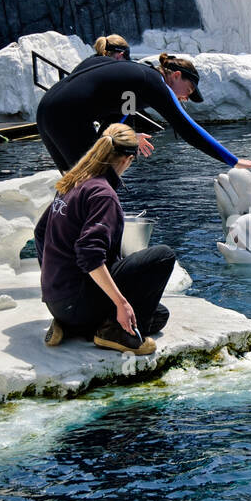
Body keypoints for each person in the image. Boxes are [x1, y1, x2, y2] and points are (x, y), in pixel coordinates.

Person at [35, 123, 175, 354]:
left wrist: (55, 281)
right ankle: (112, 332)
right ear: (127, 159)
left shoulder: (72, 182)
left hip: (56, 303)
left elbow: (40, 233)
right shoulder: (103, 194)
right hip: (77, 302)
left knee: (159, 314)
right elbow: (89, 253)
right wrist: (121, 303)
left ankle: (70, 327)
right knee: (163, 256)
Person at [35, 49, 251, 173]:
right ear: (176, 76)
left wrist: (128, 136)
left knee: (73, 184)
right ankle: (106, 259)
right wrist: (232, 160)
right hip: (69, 117)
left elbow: (116, 118)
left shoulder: (132, 78)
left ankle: (53, 242)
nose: (185, 97)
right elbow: (186, 127)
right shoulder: (154, 82)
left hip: (47, 111)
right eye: (188, 90)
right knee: (100, 185)